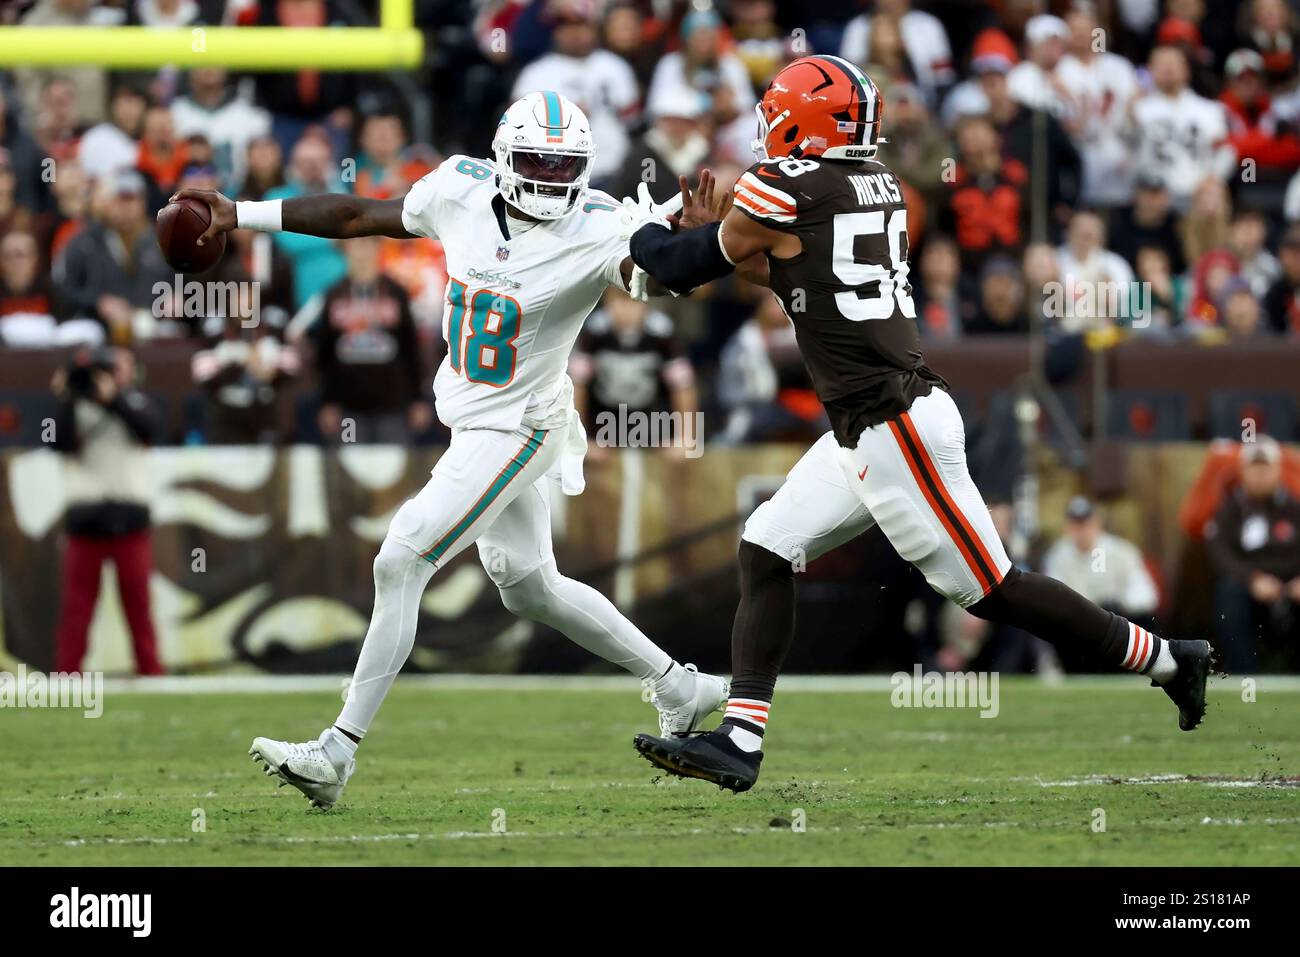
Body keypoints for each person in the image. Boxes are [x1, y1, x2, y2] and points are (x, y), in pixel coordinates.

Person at [624, 56, 1212, 792]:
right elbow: (790, 267)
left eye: (777, 111)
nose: (766, 126)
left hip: (894, 422)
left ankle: (1166, 659)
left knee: (991, 588)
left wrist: (646, 226)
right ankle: (741, 739)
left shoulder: (783, 187)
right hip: (865, 424)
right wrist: (721, 237)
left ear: (805, 120)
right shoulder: (878, 186)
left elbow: (679, 266)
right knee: (768, 547)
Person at [172, 91, 726, 810]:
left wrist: (703, 242)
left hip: (521, 425)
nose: (553, 179)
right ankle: (680, 686)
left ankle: (337, 750)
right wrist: (240, 213)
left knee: (400, 555)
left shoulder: (600, 226)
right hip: (476, 421)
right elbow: (354, 214)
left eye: (567, 166)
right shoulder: (460, 188)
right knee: (528, 584)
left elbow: (665, 273)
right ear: (504, 158)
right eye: (537, 162)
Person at [50, 346, 163, 676]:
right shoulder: (74, 408)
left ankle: (151, 675)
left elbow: (150, 429)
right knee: (77, 608)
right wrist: (66, 397)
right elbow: (58, 442)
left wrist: (112, 399)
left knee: (139, 607)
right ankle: (67, 676)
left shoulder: (135, 403)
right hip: (87, 518)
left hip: (129, 517)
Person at [1205, 436, 1300, 671]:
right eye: (1254, 469)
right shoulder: (1229, 510)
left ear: (1278, 470)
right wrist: (1252, 579)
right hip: (1249, 587)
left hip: (1292, 585)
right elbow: (1220, 554)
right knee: (1228, 592)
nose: (1260, 476)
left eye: (1265, 469)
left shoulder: (1294, 508)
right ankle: (1243, 672)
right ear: (1243, 471)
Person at [1041, 497, 1158, 625]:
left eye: (1086, 523)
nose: (1082, 530)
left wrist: (1121, 604)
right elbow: (1053, 599)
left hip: (1118, 624)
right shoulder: (1058, 556)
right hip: (1077, 627)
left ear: (1097, 524)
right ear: (1067, 527)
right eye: (1076, 524)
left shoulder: (1120, 551)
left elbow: (1146, 595)